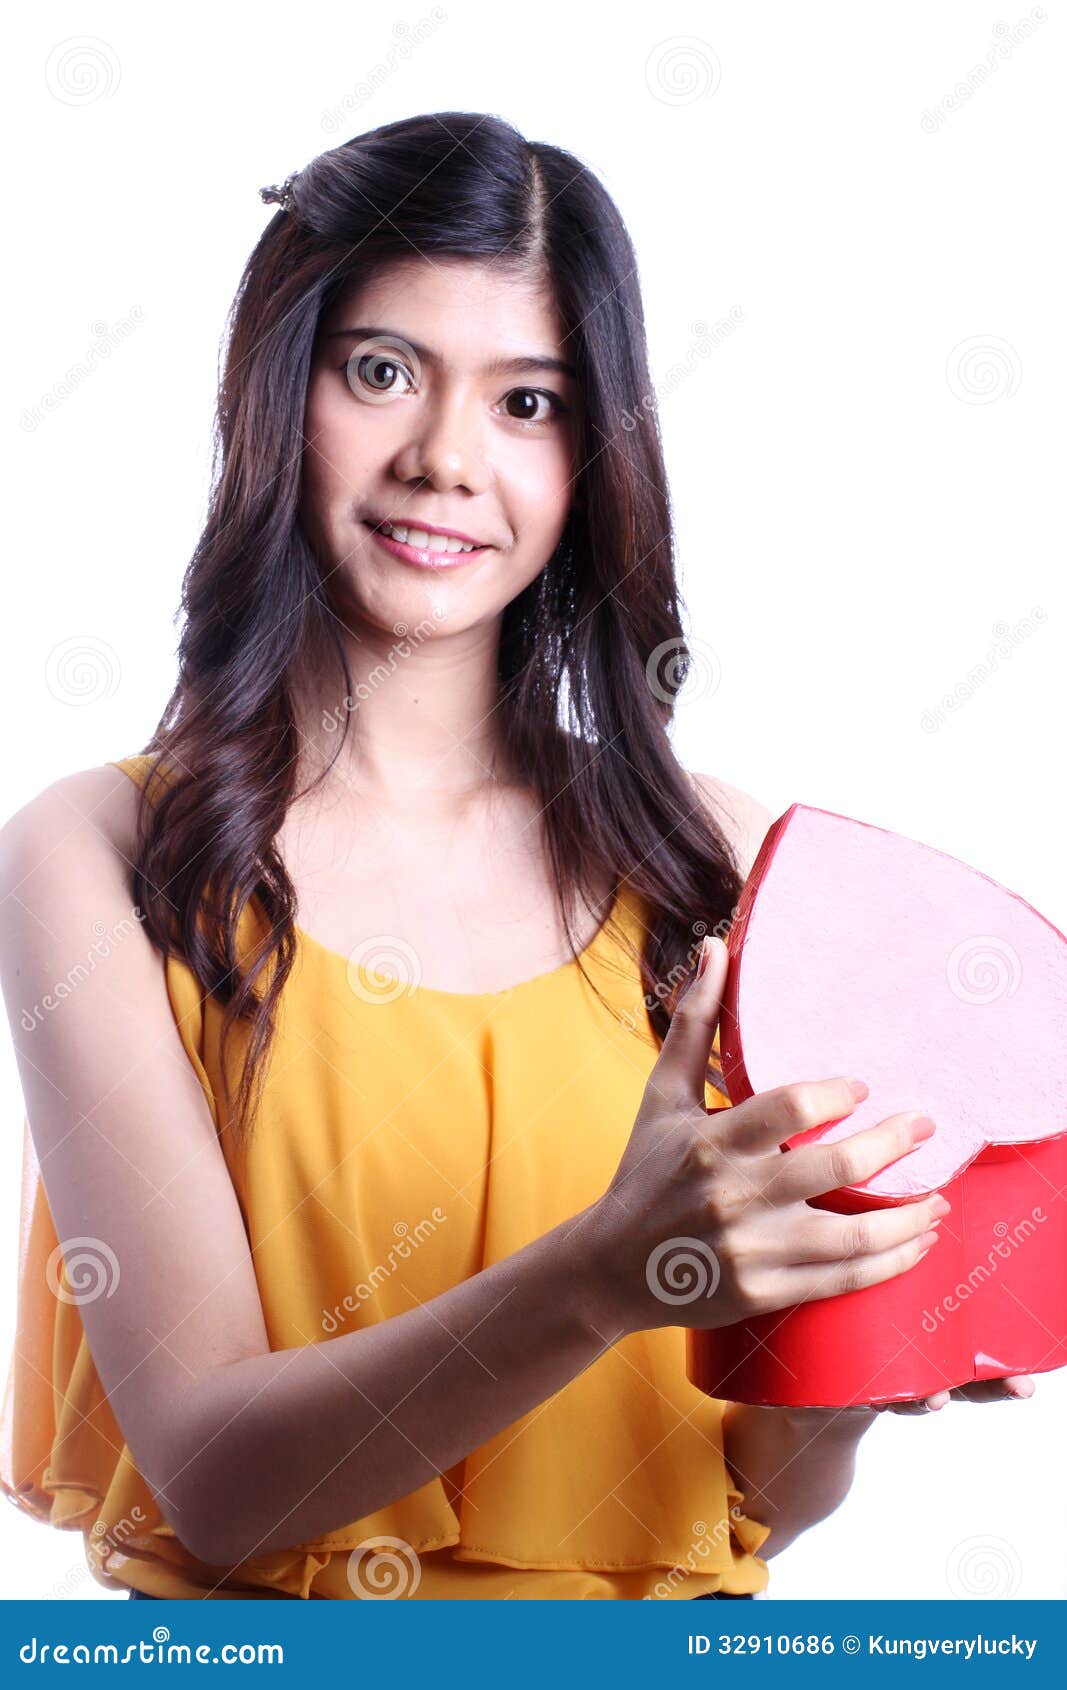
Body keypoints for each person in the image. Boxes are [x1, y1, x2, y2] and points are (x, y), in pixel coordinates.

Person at [0, 112, 1034, 1604]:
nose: (444, 459)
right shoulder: (98, 856)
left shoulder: (719, 853)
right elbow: (214, 1477)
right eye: (380, 372)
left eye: (530, 401)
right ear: (276, 392)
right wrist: (610, 1270)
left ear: (594, 446)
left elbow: (749, 1498)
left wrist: (861, 1353)